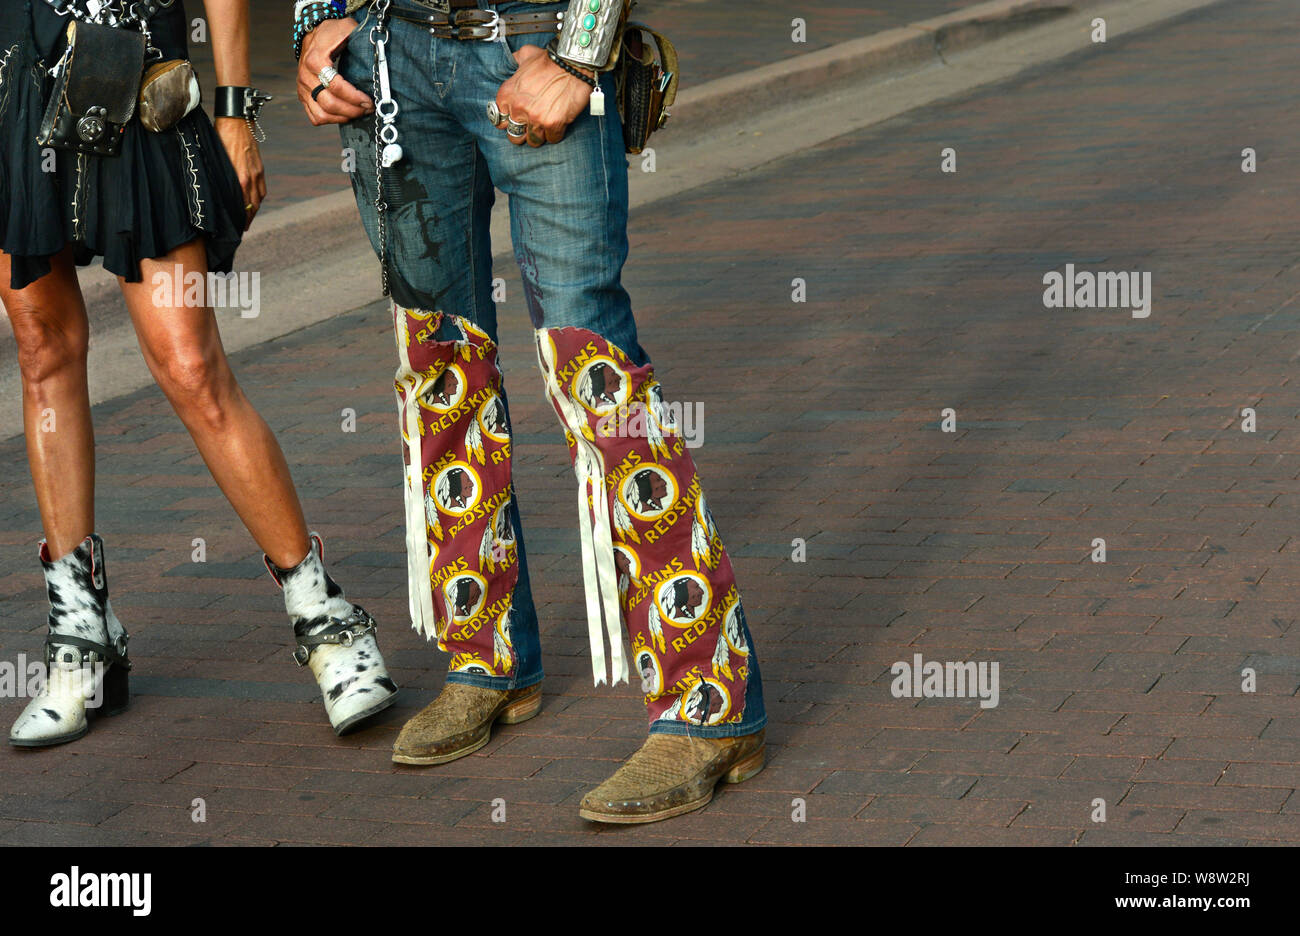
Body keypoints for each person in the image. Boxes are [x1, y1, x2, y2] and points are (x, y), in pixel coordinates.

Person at [295, 0, 766, 824]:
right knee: (436, 361)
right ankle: (487, 655)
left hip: (537, 37)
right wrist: (318, 19)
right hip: (392, 53)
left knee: (596, 371)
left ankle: (709, 702)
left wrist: (582, 56)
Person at [1, 0, 397, 747]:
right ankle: (82, 640)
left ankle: (327, 621)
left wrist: (234, 107)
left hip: (136, 72)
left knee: (189, 365)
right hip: (11, 77)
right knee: (41, 351)